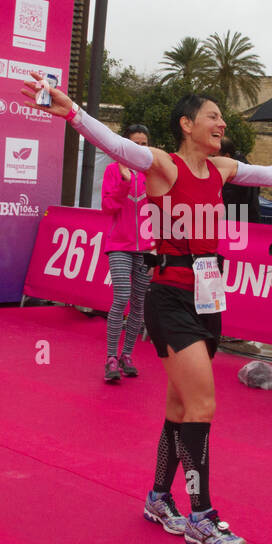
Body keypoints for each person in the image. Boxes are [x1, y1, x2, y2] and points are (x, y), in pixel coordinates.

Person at [22, 73, 272, 544]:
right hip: (170, 299)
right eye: (212, 115)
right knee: (202, 406)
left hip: (208, 300)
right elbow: (113, 144)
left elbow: (270, 173)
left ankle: (159, 497)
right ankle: (201, 514)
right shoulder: (163, 166)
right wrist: (72, 112)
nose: (221, 122)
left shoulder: (220, 168)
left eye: (221, 117)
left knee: (180, 408)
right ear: (187, 124)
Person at [101, 123, 155, 382]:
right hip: (119, 246)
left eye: (144, 144)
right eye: (135, 143)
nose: (139, 148)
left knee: (139, 305)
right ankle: (111, 357)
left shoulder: (153, 173)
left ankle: (127, 355)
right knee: (121, 296)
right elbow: (108, 207)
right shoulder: (113, 170)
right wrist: (124, 182)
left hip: (146, 249)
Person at [217, 138, 261, 223]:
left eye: (214, 156)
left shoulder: (233, 174)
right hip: (247, 220)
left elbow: (229, 203)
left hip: (237, 223)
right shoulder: (246, 167)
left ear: (226, 156)